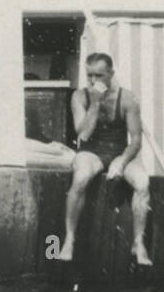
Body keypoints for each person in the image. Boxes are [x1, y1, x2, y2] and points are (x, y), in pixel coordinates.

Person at [59, 52, 152, 266]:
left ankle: (138, 242)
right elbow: (83, 135)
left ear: (111, 74)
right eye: (89, 75)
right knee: (81, 178)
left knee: (143, 183)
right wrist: (95, 104)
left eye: (99, 75)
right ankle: (69, 238)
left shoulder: (127, 98)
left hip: (120, 150)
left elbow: (136, 140)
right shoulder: (80, 97)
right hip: (92, 150)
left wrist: (121, 161)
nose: (93, 81)